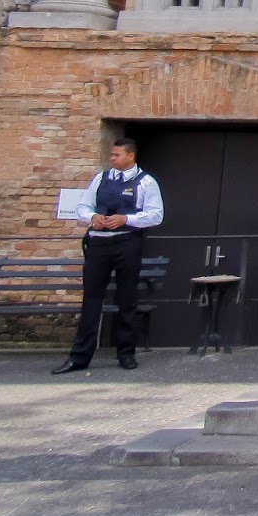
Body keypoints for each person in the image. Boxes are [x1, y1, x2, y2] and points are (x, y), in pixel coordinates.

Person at [52, 137, 164, 374]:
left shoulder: (146, 182)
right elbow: (83, 206)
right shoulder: (100, 179)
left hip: (127, 242)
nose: (112, 159)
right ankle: (80, 356)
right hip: (98, 244)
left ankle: (126, 354)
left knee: (127, 298)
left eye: (116, 155)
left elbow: (156, 215)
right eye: (111, 155)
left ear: (130, 156)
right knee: (91, 299)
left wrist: (126, 219)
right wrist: (92, 217)